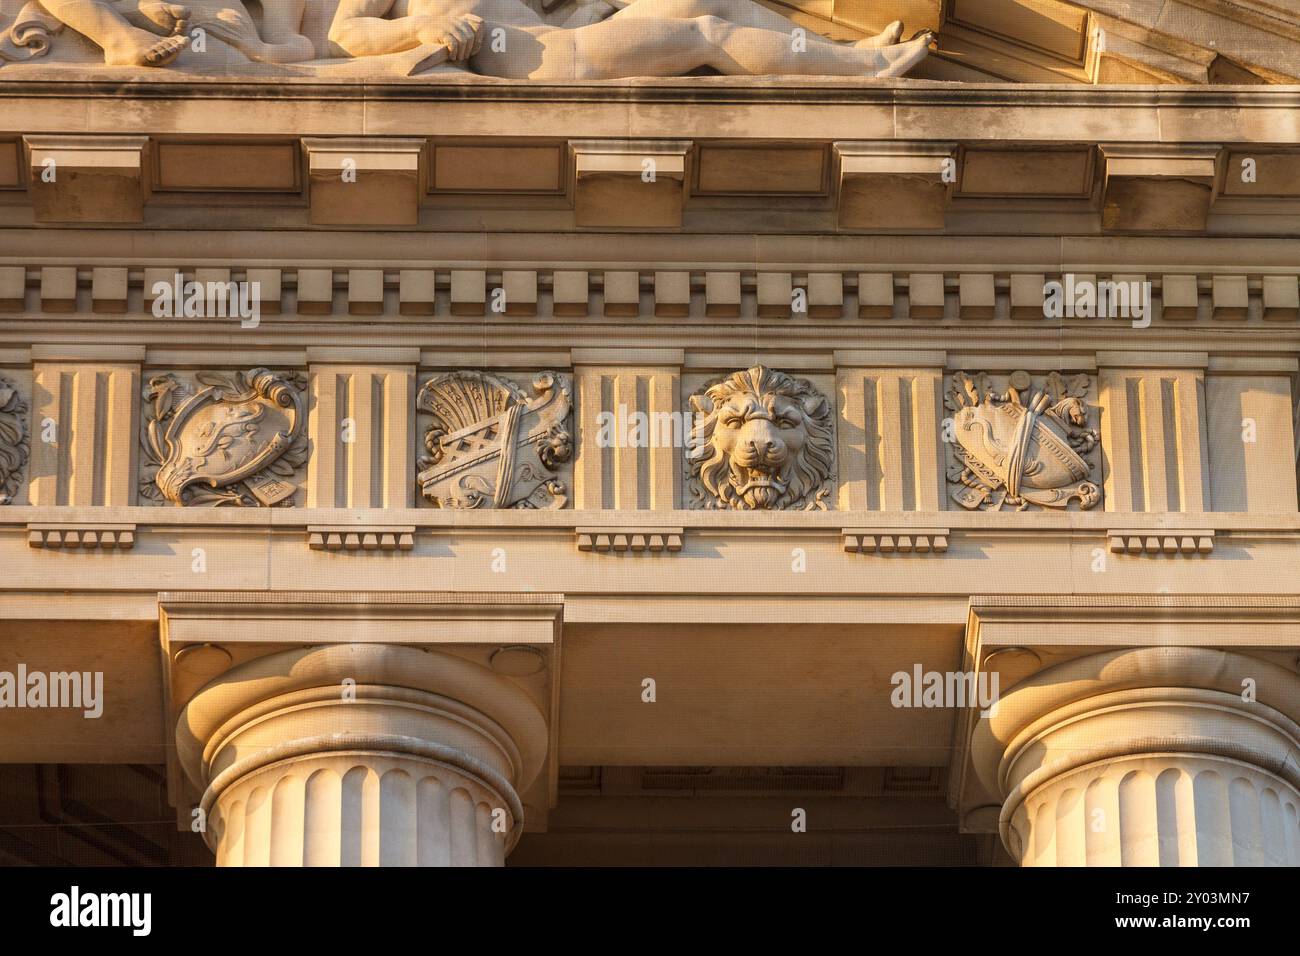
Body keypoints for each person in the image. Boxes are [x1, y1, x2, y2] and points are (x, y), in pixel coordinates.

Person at [324, 0, 932, 79]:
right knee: (705, 33)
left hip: (566, 40)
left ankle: (851, 52)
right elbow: (344, 31)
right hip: (555, 63)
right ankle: (865, 70)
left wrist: (586, 11)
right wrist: (420, 27)